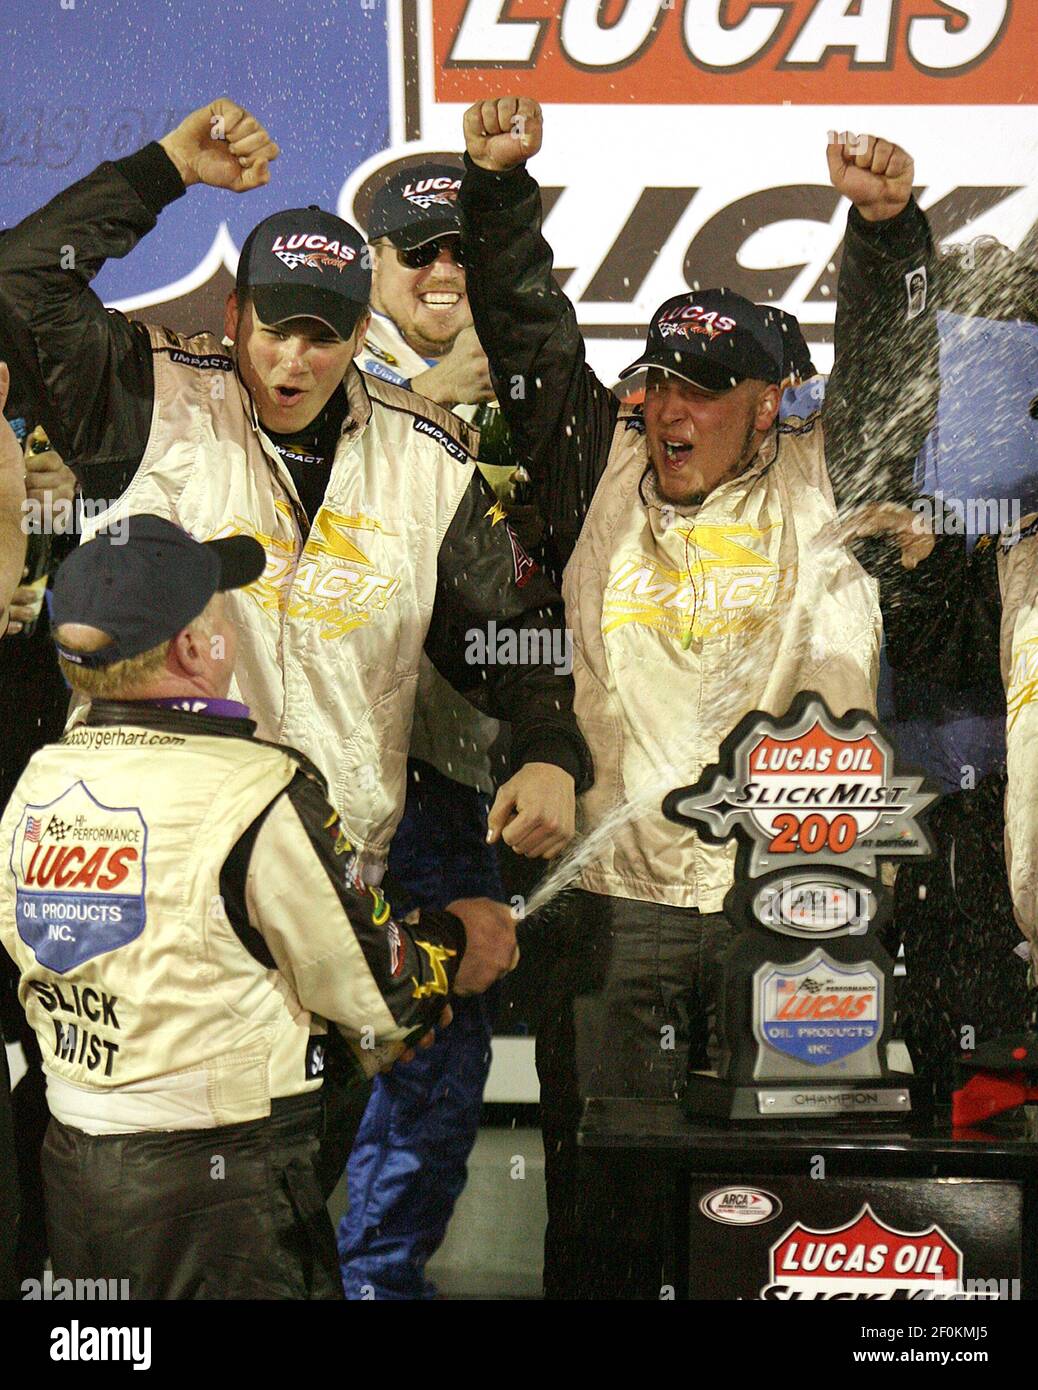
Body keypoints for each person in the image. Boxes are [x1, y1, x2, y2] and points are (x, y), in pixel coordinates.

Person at [0, 99, 591, 1107]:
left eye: (323, 335)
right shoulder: (140, 393)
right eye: (274, 328)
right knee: (125, 1171)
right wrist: (162, 170)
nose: (292, 361)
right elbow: (21, 278)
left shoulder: (427, 455)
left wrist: (547, 746)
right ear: (235, 315)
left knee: (286, 1199)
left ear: (360, 333)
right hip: (142, 884)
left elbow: (515, 633)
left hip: (330, 894)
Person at [459, 99, 939, 1297]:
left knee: (793, 1203)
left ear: (768, 401)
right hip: (622, 913)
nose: (672, 410)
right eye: (660, 383)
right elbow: (527, 334)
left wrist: (883, 235)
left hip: (802, 903)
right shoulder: (596, 462)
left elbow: (890, 372)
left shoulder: (839, 473)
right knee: (610, 1205)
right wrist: (501, 194)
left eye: (708, 389)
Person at [0, 513, 519, 1300]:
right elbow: (382, 997)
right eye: (220, 608)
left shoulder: (35, 789)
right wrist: (456, 939)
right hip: (222, 1195)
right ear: (192, 649)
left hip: (75, 1170)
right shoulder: (256, 791)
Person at [336, 162, 515, 1298]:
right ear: (374, 267)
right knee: (368, 1051)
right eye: (420, 251)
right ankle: (350, 1279)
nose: (446, 271)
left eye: (464, 251)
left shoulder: (536, 379)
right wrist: (437, 405)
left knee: (443, 1061)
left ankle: (384, 1277)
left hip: (470, 773)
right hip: (352, 777)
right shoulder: (323, 374)